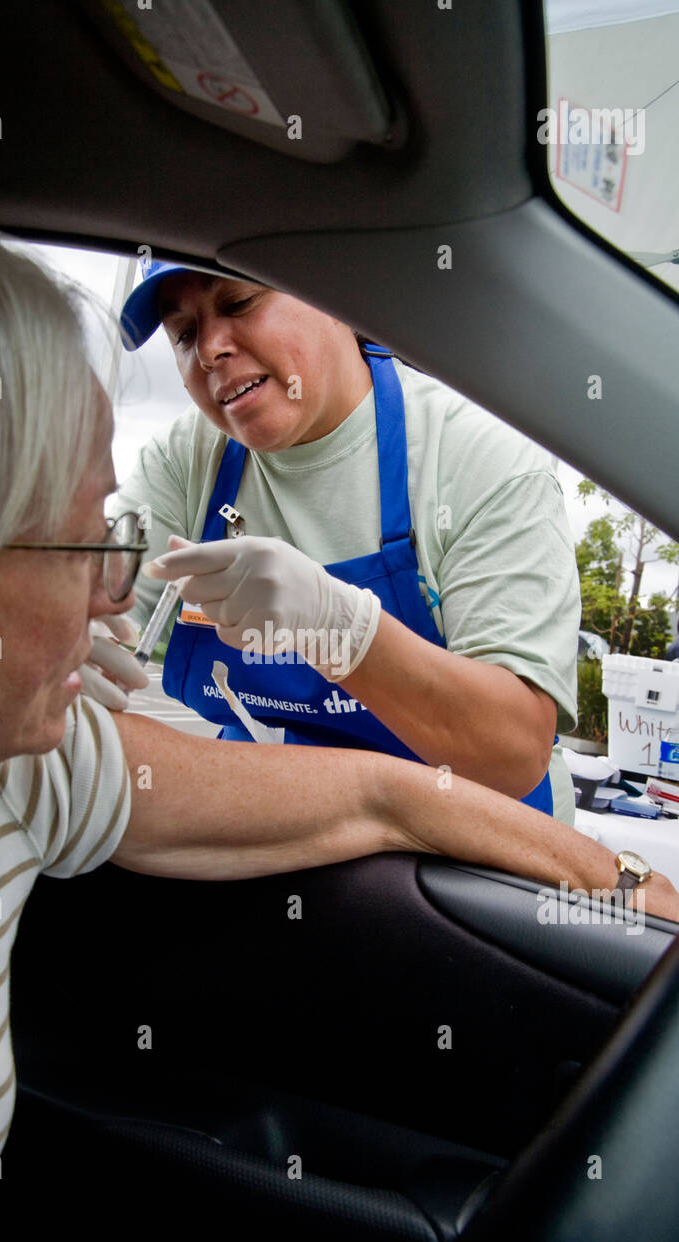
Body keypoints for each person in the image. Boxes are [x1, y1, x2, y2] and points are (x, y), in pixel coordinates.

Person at [0, 216, 679, 1242]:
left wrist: (630, 891)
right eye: (83, 546)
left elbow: (434, 776)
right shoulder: (165, 504)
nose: (114, 591)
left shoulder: (28, 770)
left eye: (235, 301)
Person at [115, 261, 582, 823]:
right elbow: (89, 605)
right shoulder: (186, 460)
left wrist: (337, 625)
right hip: (275, 818)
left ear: (339, 295)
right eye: (184, 334)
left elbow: (510, 751)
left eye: (239, 303)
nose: (211, 348)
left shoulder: (480, 461)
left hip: (464, 846)